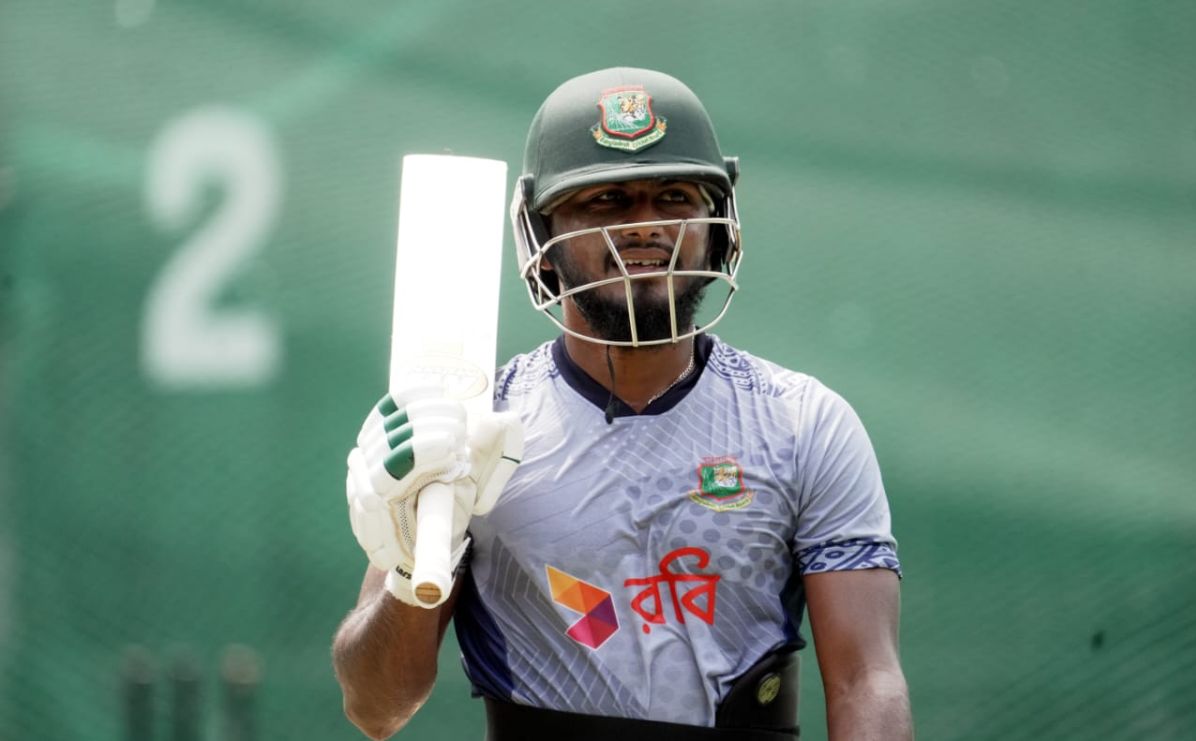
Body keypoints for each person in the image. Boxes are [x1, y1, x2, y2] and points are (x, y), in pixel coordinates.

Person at [333, 67, 912, 741]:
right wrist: (410, 568)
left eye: (673, 196)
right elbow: (375, 708)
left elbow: (865, 678)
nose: (644, 227)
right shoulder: (471, 426)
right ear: (540, 233)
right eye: (604, 201)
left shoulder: (800, 421)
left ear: (718, 226)